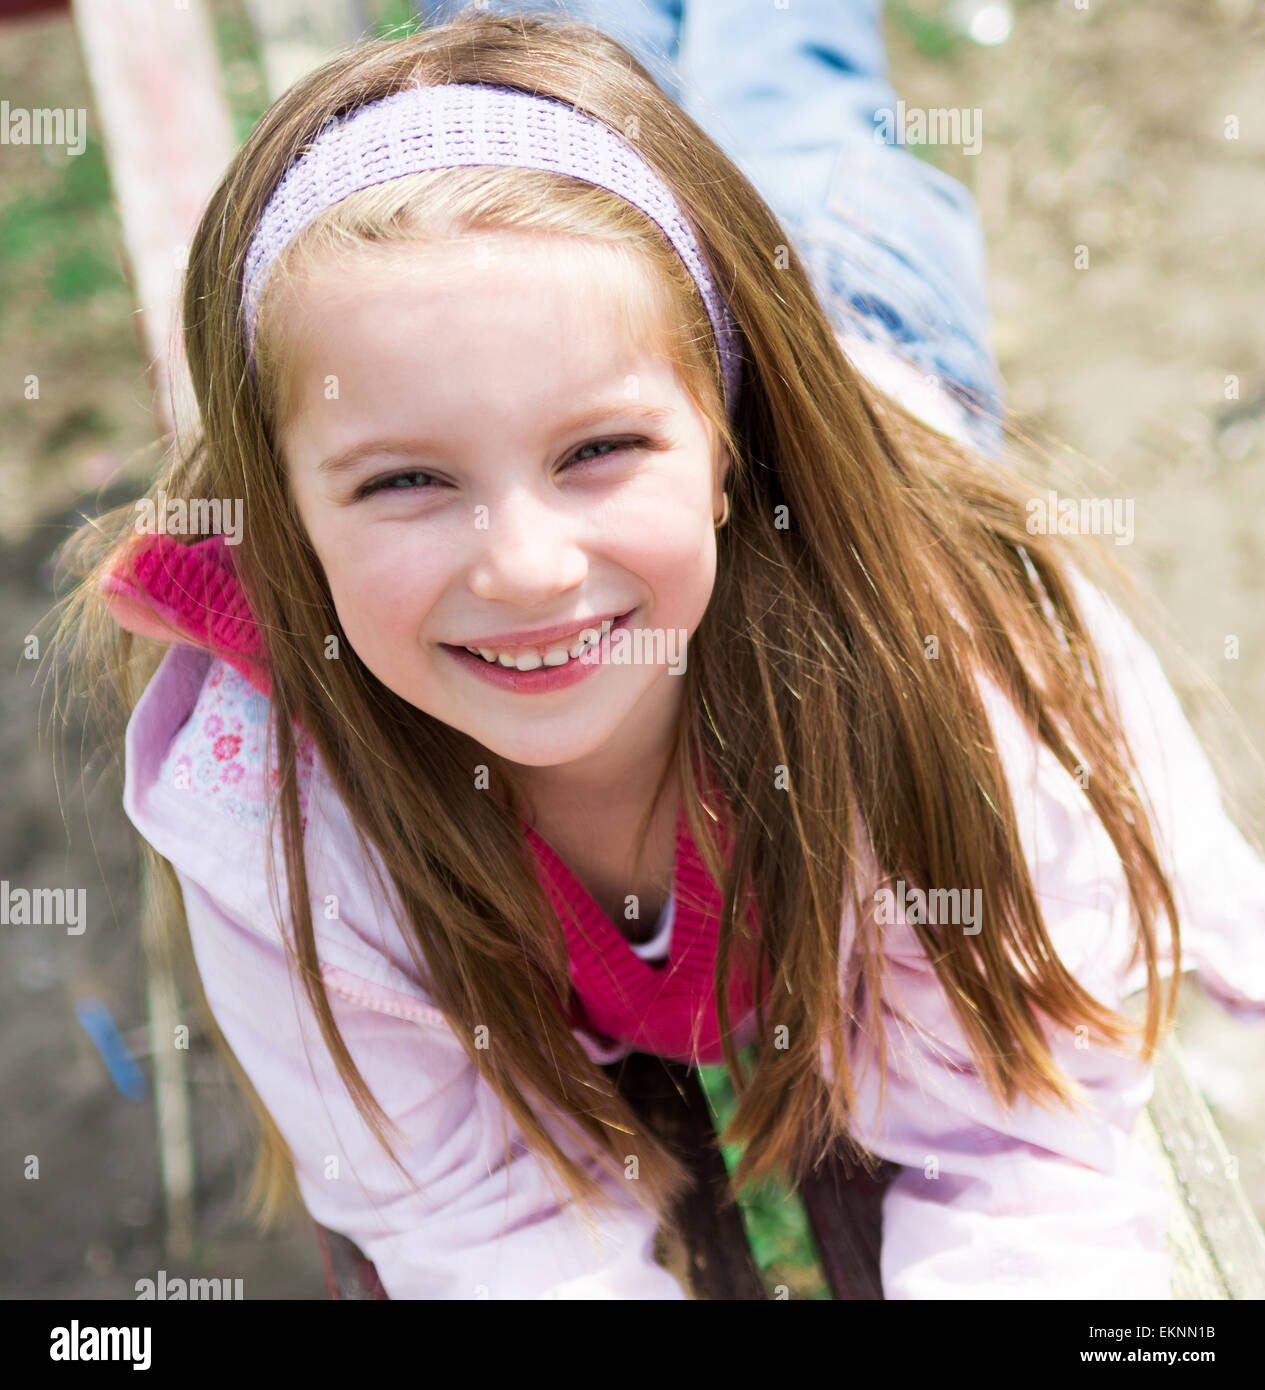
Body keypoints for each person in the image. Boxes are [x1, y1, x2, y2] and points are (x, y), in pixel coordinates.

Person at [55, 5, 1265, 1299]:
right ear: (286, 524)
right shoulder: (271, 803)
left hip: (845, 279)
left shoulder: (920, 671)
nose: (524, 565)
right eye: (407, 477)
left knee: (786, 70)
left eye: (597, 450)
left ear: (732, 449)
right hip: (671, 278)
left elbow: (1021, 1136)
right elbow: (468, 1216)